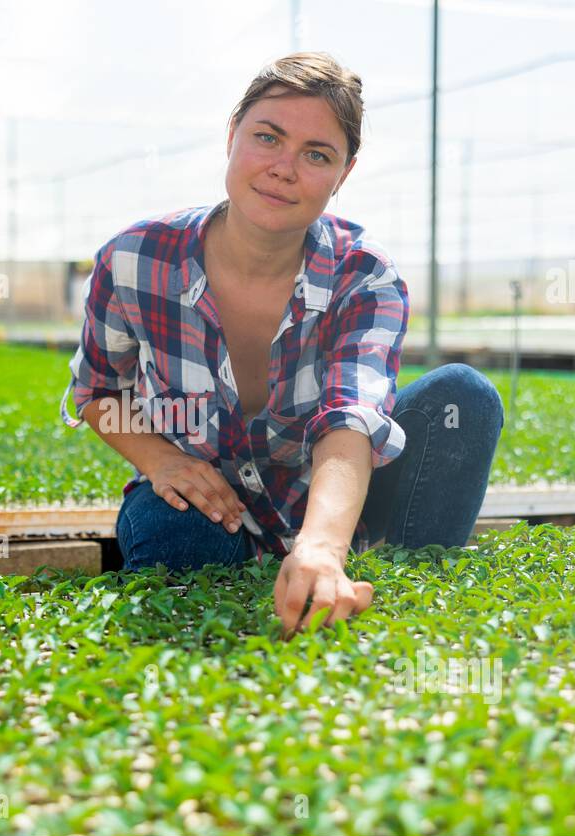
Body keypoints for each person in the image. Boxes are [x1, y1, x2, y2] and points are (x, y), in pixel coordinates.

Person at [59, 52, 503, 639]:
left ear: (342, 175)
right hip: (206, 498)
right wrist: (161, 460)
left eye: (316, 154)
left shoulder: (365, 276)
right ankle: (262, 568)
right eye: (268, 138)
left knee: (463, 398)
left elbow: (351, 417)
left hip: (329, 503)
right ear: (231, 137)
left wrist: (322, 544)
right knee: (180, 544)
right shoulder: (135, 258)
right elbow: (97, 391)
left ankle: (370, 577)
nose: (284, 168)